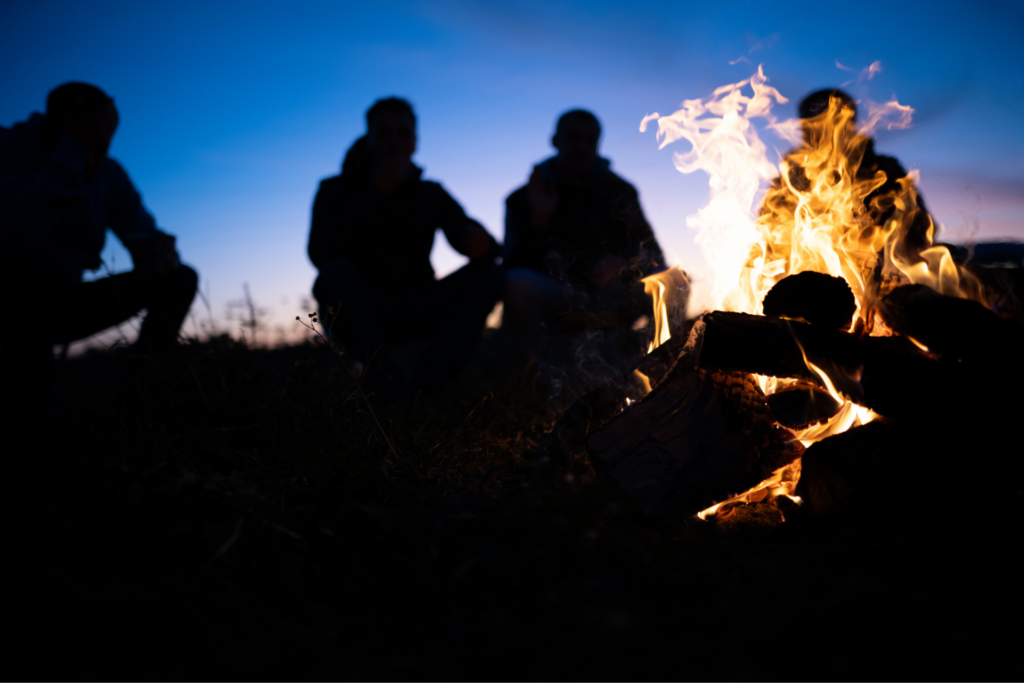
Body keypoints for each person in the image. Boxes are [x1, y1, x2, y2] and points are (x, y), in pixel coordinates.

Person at [0, 82, 197, 404]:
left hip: (63, 304)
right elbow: (16, 228)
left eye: (110, 130)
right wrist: (71, 152)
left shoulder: (108, 173)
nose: (104, 141)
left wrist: (158, 253)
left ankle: (140, 400)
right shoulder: (10, 147)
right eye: (97, 128)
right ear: (65, 119)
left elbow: (142, 232)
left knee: (180, 279)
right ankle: (27, 414)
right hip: (12, 299)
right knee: (31, 263)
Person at [308, 97, 503, 391]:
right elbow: (321, 253)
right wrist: (375, 192)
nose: (395, 142)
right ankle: (384, 386)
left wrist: (479, 242)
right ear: (369, 139)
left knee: (489, 274)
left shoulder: (430, 193)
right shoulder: (335, 189)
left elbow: (472, 236)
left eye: (404, 134)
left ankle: (433, 386)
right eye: (384, 133)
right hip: (365, 312)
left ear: (415, 142)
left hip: (420, 304)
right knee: (335, 274)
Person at [502, 109, 666, 373]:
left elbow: (653, 252)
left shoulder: (620, 191)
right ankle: (531, 374)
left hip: (615, 297)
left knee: (670, 280)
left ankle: (656, 366)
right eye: (573, 137)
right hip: (560, 299)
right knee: (517, 283)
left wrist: (625, 264)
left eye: (589, 140)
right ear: (556, 140)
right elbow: (511, 266)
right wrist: (539, 221)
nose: (581, 146)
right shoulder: (524, 197)